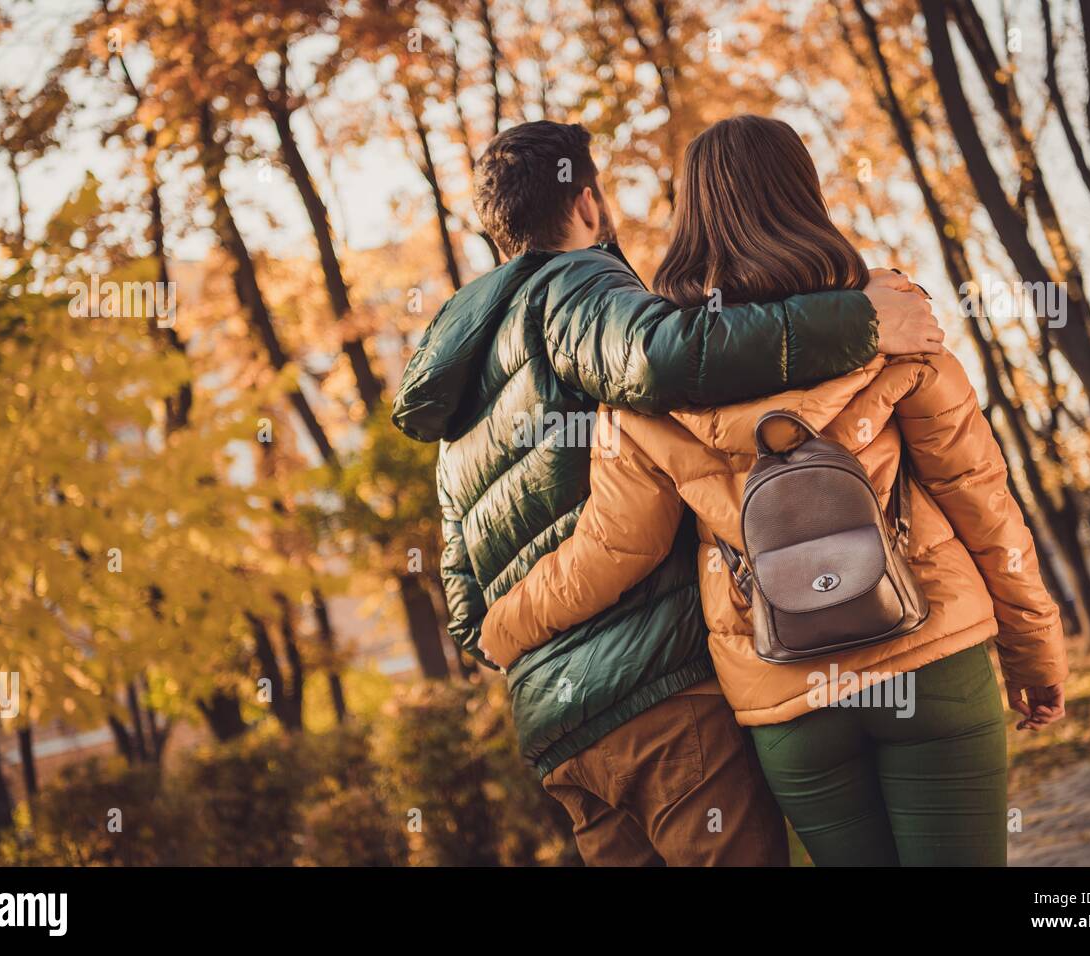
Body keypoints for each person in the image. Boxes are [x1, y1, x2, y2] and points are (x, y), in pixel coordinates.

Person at [478, 115, 1068, 867]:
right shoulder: (893, 322)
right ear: (804, 194)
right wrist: (1034, 650)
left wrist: (503, 626)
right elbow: (983, 503)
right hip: (928, 657)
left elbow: (611, 551)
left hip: (787, 696)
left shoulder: (648, 387)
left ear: (691, 217)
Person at [391, 119, 942, 866]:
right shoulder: (572, 284)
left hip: (559, 738)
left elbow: (467, 612)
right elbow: (664, 356)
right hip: (662, 701)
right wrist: (863, 319)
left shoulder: (458, 393)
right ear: (586, 202)